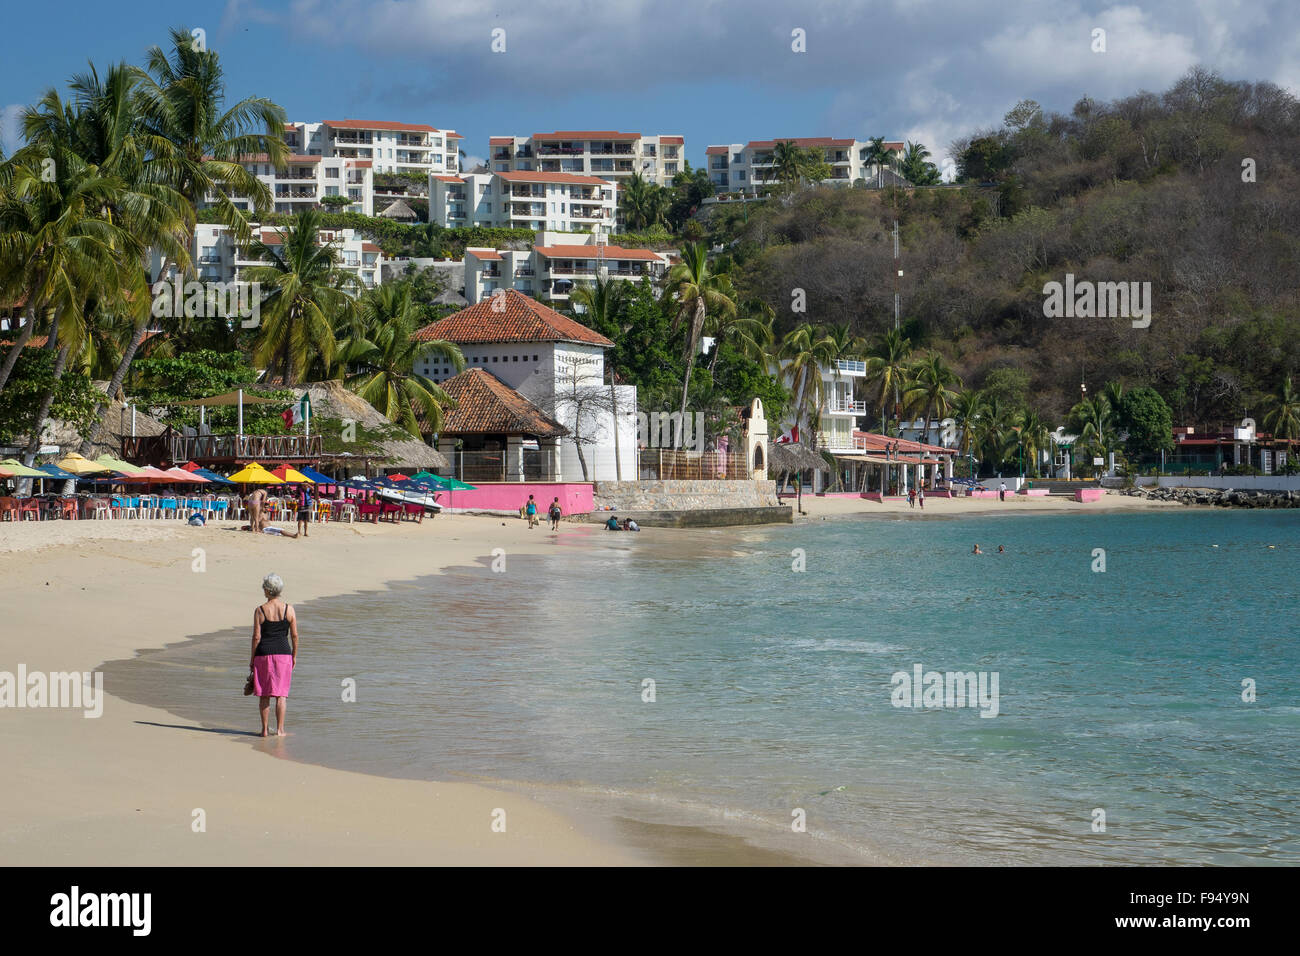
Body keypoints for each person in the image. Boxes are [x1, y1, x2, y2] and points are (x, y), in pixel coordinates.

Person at [249, 573, 298, 737]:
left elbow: (256, 637)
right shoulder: (289, 609)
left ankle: (264, 730)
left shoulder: (260, 610)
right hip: (284, 654)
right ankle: (279, 730)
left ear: (267, 590)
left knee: (264, 694)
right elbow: (295, 636)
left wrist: (252, 659)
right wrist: (294, 655)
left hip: (263, 654)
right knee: (281, 695)